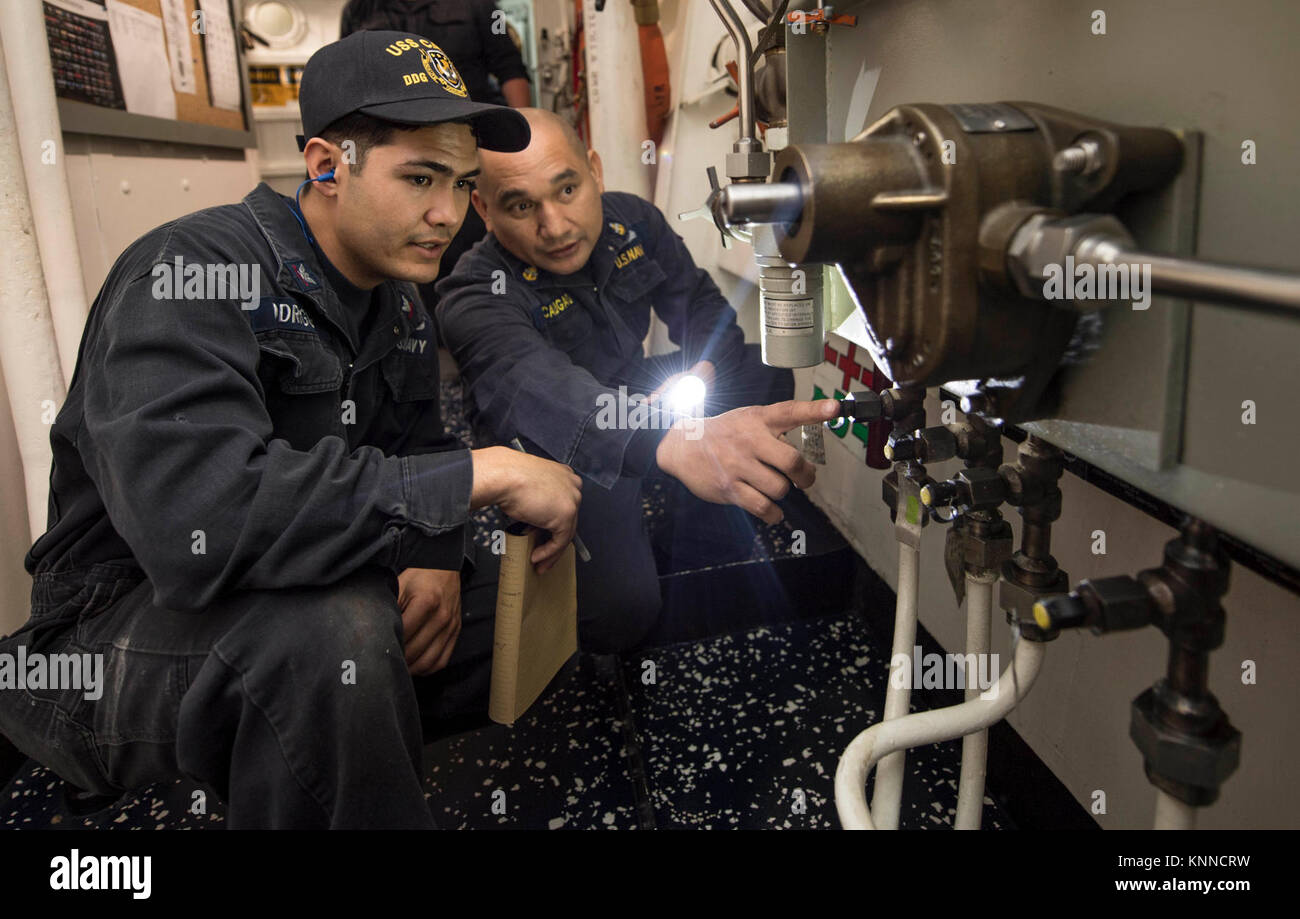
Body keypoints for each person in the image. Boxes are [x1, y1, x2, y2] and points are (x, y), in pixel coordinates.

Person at [0, 31, 585, 829]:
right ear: (324, 165)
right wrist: (479, 478)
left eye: (461, 183)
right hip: (108, 640)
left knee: (533, 587)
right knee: (330, 635)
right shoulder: (188, 273)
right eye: (418, 177)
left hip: (296, 589)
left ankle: (342, 765)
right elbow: (199, 521)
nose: (447, 215)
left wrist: (435, 553)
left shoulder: (399, 297)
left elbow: (419, 444)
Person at [436, 108, 841, 646]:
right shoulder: (473, 293)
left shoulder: (635, 224)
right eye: (520, 205)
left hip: (638, 398)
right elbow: (541, 386)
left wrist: (702, 365)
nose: (554, 226)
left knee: (755, 372)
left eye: (566, 190)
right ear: (484, 209)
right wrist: (666, 439)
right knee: (622, 608)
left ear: (596, 173)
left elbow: (700, 305)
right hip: (559, 444)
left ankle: (690, 542)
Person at [340, 0, 533, 315]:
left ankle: (478, 323)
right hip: (393, 151)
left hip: (466, 148)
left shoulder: (480, 6)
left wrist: (524, 139)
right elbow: (347, 79)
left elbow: (510, 67)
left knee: (464, 236)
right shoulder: (359, 9)